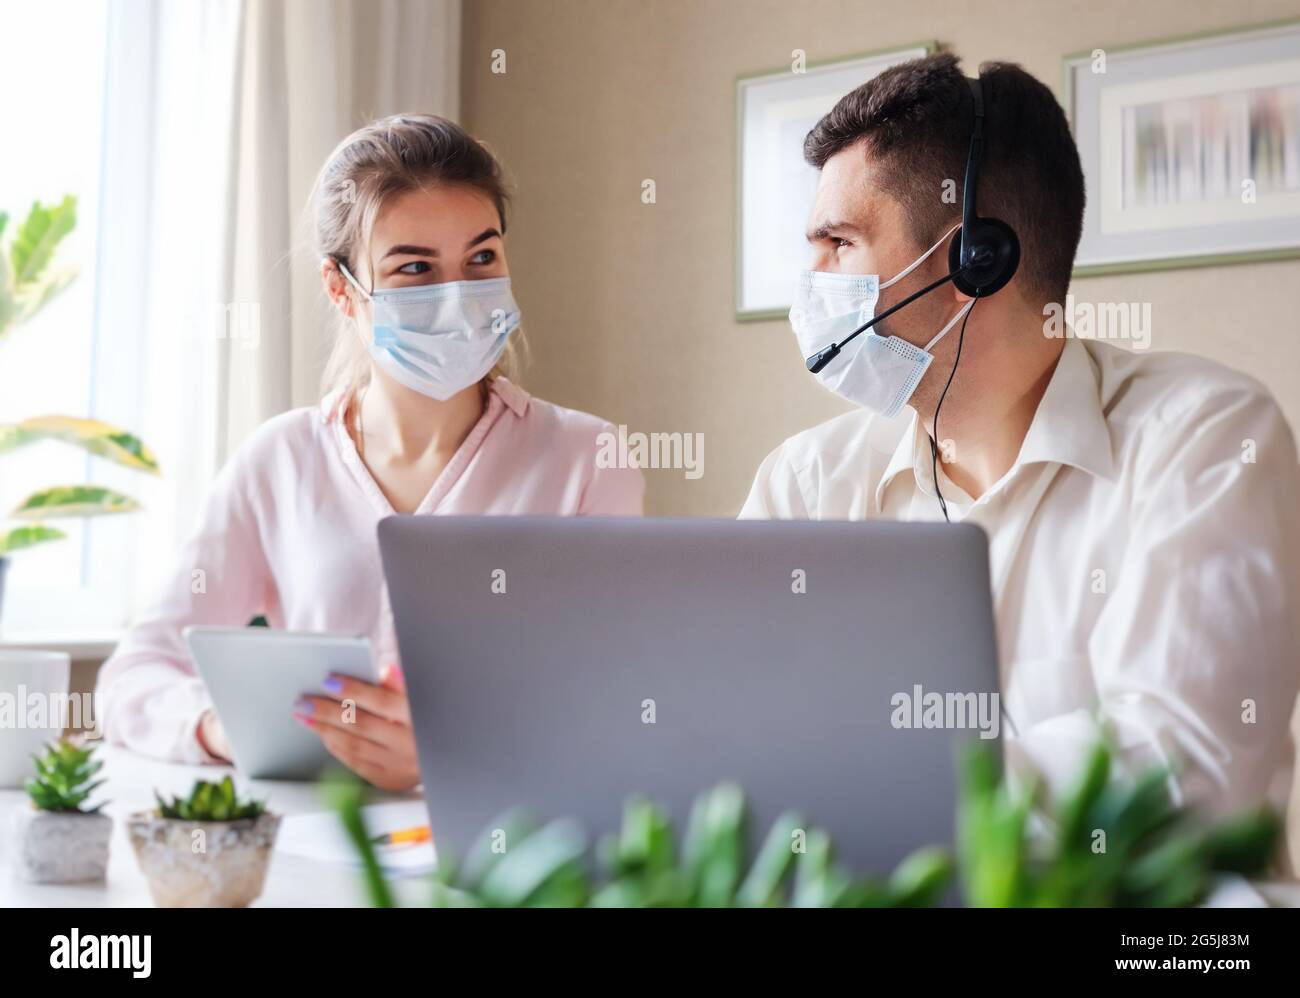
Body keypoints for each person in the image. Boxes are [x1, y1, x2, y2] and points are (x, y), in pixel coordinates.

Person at [741, 53, 1300, 823]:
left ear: (977, 259)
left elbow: (1180, 777)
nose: (808, 279)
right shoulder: (802, 485)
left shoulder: (1207, 440)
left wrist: (863, 781)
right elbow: (731, 737)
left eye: (838, 243)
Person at [97, 114, 644, 790]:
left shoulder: (587, 459)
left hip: (509, 853)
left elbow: (620, 700)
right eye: (414, 268)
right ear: (341, 289)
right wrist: (228, 725)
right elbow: (134, 676)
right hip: (319, 845)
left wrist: (453, 750)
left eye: (481, 258)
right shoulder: (280, 461)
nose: (457, 296)